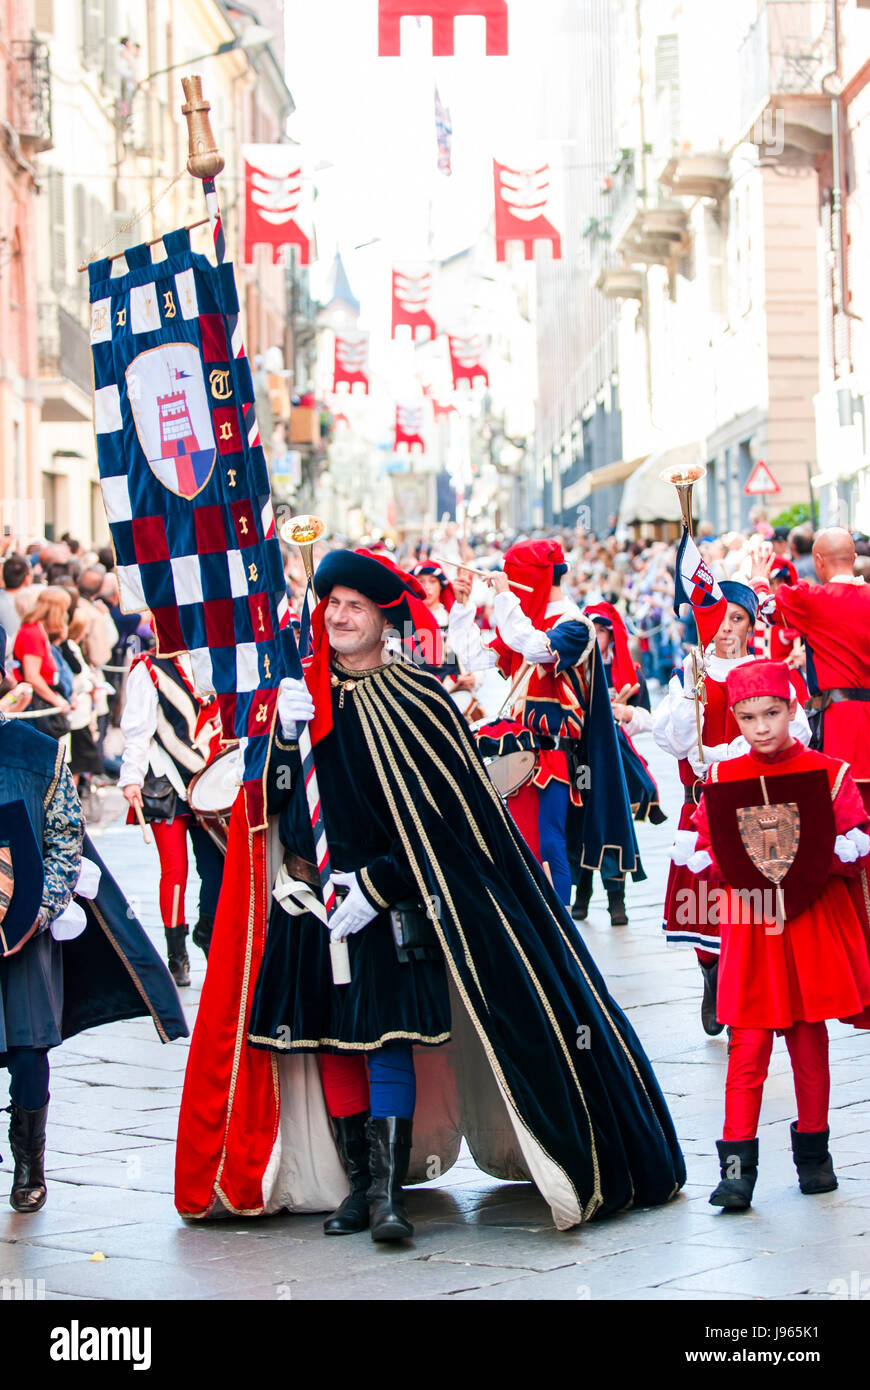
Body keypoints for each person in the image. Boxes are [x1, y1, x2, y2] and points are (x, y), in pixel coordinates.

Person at [183, 547, 686, 1236]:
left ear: (385, 619)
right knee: (333, 1042)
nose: (339, 618)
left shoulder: (421, 699)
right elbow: (272, 805)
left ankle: (388, 1192)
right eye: (331, 606)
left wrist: (380, 882)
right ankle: (358, 1185)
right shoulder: (295, 697)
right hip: (315, 901)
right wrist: (284, 736)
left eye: (354, 607)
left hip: (387, 902)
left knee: (388, 1037)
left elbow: (450, 822)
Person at [0, 625, 186, 1212]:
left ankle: (30, 1161)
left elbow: (63, 845)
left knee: (29, 1053)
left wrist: (39, 908)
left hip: (22, 929)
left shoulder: (38, 753)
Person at [682, 660, 870, 1210]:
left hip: (809, 920)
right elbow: (713, 852)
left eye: (771, 713)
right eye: (747, 717)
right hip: (751, 925)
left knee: (809, 1037)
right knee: (748, 1041)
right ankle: (737, 1170)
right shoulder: (718, 779)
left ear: (792, 709)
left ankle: (815, 1158)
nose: (760, 727)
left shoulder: (831, 773)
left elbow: (845, 849)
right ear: (735, 719)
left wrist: (830, 857)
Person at [653, 581, 811, 1035]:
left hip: (756, 802)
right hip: (703, 802)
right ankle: (711, 976)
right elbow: (675, 742)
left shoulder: (768, 669)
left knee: (755, 906)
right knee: (704, 905)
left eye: (736, 619)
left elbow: (797, 734)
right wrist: (692, 687)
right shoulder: (689, 673)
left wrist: (735, 751)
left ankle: (753, 995)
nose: (726, 630)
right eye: (718, 620)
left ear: (750, 622)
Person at [449, 539, 640, 913]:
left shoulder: (574, 625)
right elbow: (474, 656)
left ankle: (559, 923)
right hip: (520, 751)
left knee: (552, 842)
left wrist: (506, 600)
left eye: (513, 576)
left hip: (557, 757)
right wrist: (461, 605)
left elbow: (537, 648)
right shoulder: (526, 623)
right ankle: (532, 920)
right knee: (521, 841)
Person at [119, 648, 225, 984]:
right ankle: (176, 954)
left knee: (217, 867)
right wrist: (132, 777)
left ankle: (207, 932)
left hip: (210, 779)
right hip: (164, 780)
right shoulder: (148, 667)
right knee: (175, 869)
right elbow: (137, 731)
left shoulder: (217, 656)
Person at [752, 527, 870, 812]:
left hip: (841, 724)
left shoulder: (814, 599)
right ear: (853, 557)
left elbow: (766, 609)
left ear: (818, 560)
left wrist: (758, 580)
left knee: (845, 819)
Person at [572, 602, 666, 924]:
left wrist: (623, 713)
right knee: (583, 815)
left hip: (616, 763)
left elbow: (648, 719)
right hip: (583, 762)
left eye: (602, 631)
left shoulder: (631, 673)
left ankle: (617, 903)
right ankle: (581, 896)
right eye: (592, 631)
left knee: (614, 820)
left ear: (612, 636)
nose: (597, 637)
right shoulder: (576, 671)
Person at [12, 587, 73, 741]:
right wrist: (55, 699)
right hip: (35, 704)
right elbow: (32, 676)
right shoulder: (32, 633)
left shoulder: (37, 631)